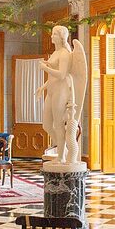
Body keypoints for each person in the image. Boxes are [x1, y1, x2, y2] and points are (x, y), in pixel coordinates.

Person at [36, 26, 86, 164]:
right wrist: (43, 86)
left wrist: (45, 68)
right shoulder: (55, 53)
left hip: (61, 91)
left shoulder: (64, 53)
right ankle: (62, 148)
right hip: (51, 90)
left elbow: (62, 75)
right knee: (46, 125)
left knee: (58, 124)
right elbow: (53, 75)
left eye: (54, 34)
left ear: (61, 37)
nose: (51, 36)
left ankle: (61, 156)